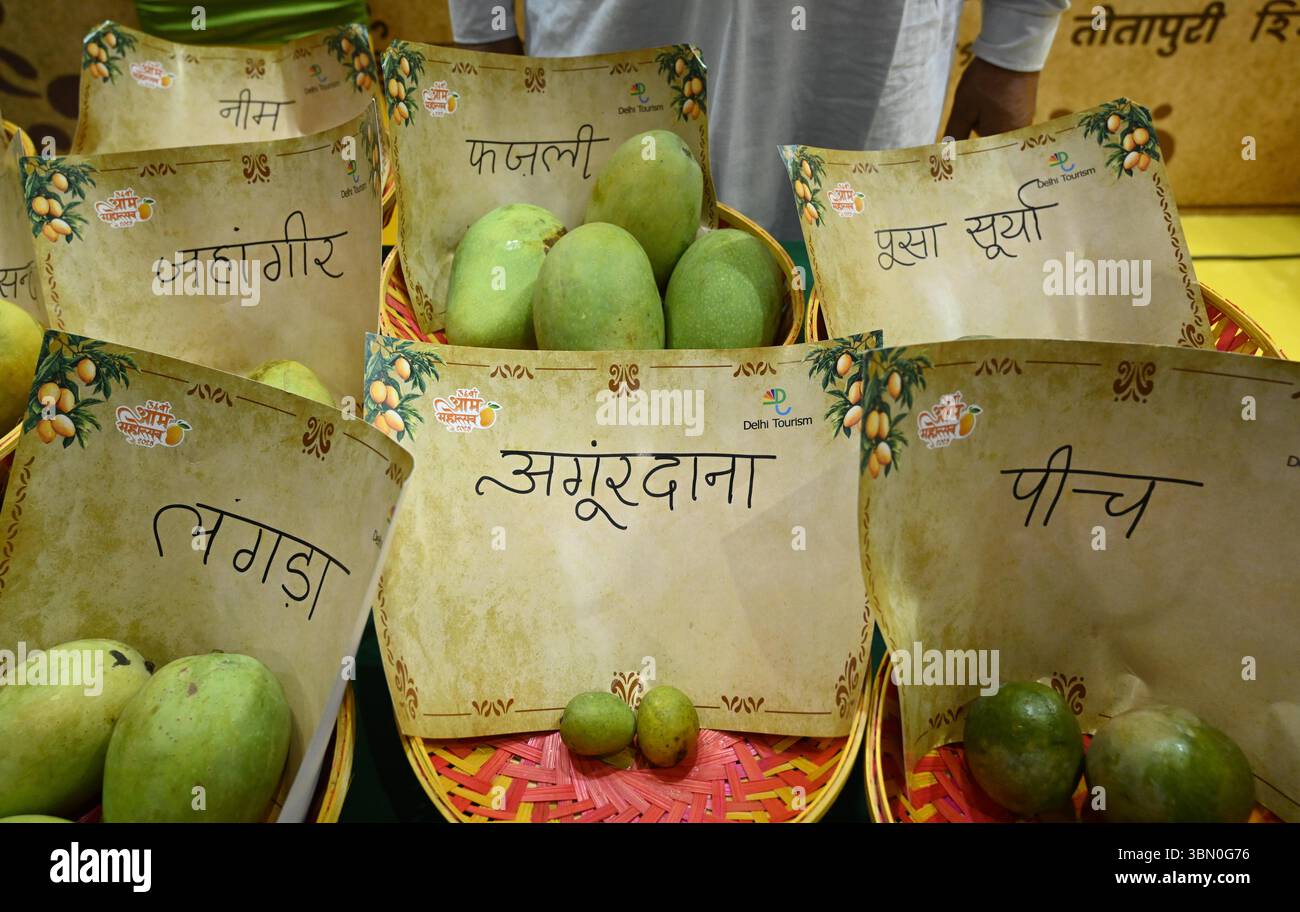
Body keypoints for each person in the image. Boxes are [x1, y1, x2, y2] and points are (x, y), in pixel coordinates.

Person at [449, 0, 1069, 242]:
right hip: (618, 31)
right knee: (597, 259)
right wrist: (486, 21)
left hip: (859, 46)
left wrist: (1018, 39)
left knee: (840, 284)